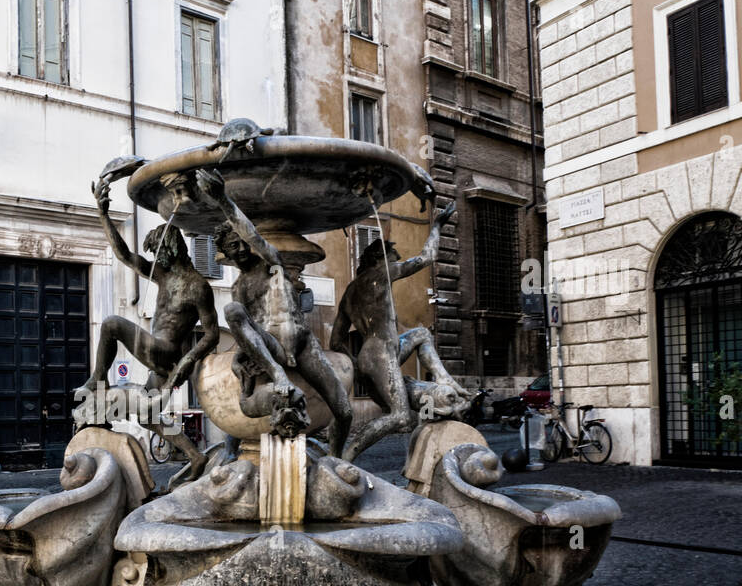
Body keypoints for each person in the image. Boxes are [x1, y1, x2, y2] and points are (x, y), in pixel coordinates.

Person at [76, 176, 221, 487]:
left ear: (170, 248)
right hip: (160, 354)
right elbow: (124, 256)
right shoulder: (165, 278)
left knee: (112, 324)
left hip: (167, 352)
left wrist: (187, 362)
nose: (155, 260)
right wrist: (103, 214)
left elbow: (212, 334)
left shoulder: (198, 287)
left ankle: (97, 379)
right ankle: (194, 456)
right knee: (147, 414)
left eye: (158, 252)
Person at [200, 170, 354, 453]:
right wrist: (238, 360)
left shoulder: (272, 264)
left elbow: (254, 236)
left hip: (302, 342)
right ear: (225, 253)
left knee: (344, 410)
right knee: (233, 310)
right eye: (233, 246)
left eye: (242, 242)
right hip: (273, 345)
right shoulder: (239, 288)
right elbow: (245, 329)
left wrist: (223, 200)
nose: (241, 248)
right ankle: (278, 376)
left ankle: (338, 457)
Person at [331, 201, 471, 461]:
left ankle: (444, 379)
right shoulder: (383, 272)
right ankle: (347, 456)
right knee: (400, 416)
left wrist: (356, 365)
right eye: (394, 255)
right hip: (381, 353)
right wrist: (437, 226)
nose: (397, 259)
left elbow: (336, 340)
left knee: (420, 334)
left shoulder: (350, 291)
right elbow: (427, 257)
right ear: (381, 257)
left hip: (373, 354)